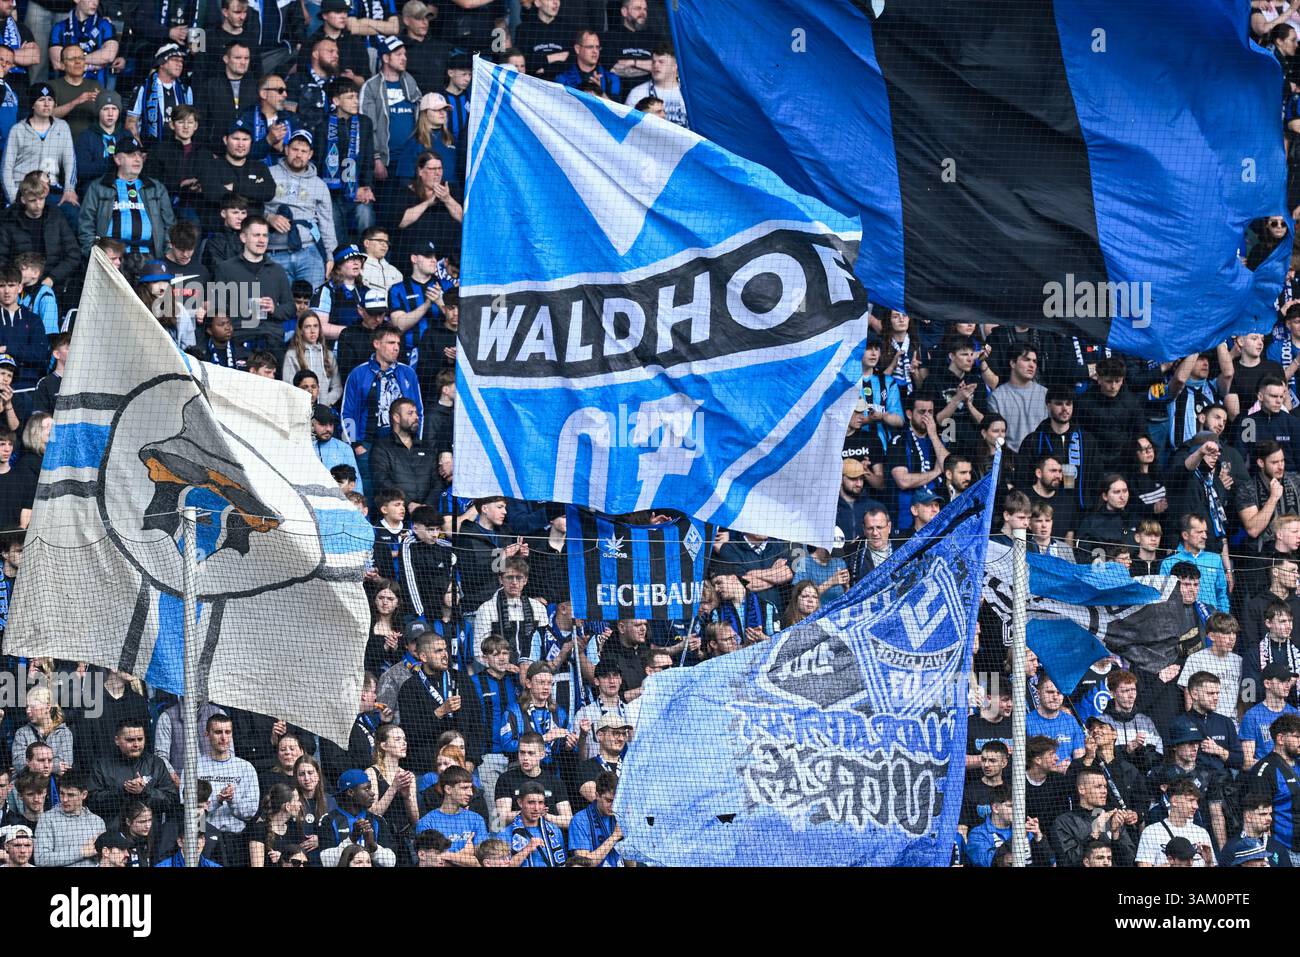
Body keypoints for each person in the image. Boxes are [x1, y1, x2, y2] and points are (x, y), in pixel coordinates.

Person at [397, 631, 483, 773]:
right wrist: (440, 712)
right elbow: (411, 732)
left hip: (462, 766)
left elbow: (477, 724)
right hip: (427, 769)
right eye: (438, 651)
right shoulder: (409, 687)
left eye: (445, 649)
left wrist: (471, 761)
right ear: (423, 657)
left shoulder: (462, 680)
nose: (445, 655)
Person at [77, 131, 173, 257]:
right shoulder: (99, 187)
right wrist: (94, 254)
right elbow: (86, 224)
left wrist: (167, 253)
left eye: (139, 155)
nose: (137, 159)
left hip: (149, 257)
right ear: (117, 159)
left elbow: (170, 225)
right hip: (111, 258)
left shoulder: (156, 188)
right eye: (131, 154)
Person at [266, 129, 336, 291]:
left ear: (310, 154)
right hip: (273, 253)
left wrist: (330, 257)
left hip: (309, 253)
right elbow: (252, 209)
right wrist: (269, 217)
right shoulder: (269, 174)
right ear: (286, 150)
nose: (299, 155)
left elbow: (327, 225)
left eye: (304, 151)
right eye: (295, 149)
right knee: (275, 308)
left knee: (312, 307)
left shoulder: (320, 185)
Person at [194, 713, 259, 867]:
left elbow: (250, 812)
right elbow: (188, 808)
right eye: (218, 732)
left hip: (236, 841)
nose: (223, 737)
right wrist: (218, 800)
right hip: (205, 839)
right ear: (207, 735)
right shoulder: (195, 766)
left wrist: (232, 800)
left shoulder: (245, 768)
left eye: (227, 732)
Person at [86, 718, 179, 825]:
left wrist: (144, 791)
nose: (136, 745)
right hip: (114, 834)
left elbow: (170, 801)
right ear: (117, 740)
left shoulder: (156, 764)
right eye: (130, 740)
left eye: (140, 739)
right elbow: (91, 802)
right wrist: (123, 792)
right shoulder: (101, 765)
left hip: (152, 836)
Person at [1050, 767, 1139, 866]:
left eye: (1105, 786)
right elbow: (1067, 861)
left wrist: (1116, 834)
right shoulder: (1064, 822)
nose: (1104, 791)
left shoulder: (1112, 819)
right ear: (1081, 789)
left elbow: (1128, 861)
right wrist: (1095, 833)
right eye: (1098, 786)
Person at [1246, 712, 1300, 864]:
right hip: (1285, 850)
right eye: (1297, 737)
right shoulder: (1264, 769)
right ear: (1281, 739)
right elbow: (1260, 814)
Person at [1135, 778, 1216, 866]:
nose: (1195, 806)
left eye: (1196, 801)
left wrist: (1208, 863)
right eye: (1190, 800)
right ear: (1174, 801)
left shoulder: (1202, 833)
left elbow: (1211, 865)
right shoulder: (1151, 832)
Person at [32, 767, 103, 867]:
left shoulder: (97, 822)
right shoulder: (47, 819)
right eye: (62, 793)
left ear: (84, 794)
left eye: (71, 795)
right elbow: (41, 859)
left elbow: (103, 858)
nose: (65, 799)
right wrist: (81, 852)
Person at [1242, 662, 1299, 768]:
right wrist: (1275, 768)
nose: (1287, 685)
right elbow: (1247, 762)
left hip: (1294, 778)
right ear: (1267, 684)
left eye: (1288, 681)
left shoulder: (1295, 714)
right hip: (1267, 779)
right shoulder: (1252, 715)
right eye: (1282, 681)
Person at [1026, 677, 1086, 769]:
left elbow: (1079, 756)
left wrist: (1071, 770)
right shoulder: (1025, 722)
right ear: (1038, 694)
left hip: (1069, 776)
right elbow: (1026, 760)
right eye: (1050, 692)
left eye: (1059, 693)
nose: (1055, 697)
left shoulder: (1071, 721)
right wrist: (1055, 769)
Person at [245, 781, 308, 867]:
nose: (300, 804)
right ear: (287, 806)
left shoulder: (294, 829)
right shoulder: (258, 830)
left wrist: (281, 857)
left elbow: (301, 860)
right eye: (297, 801)